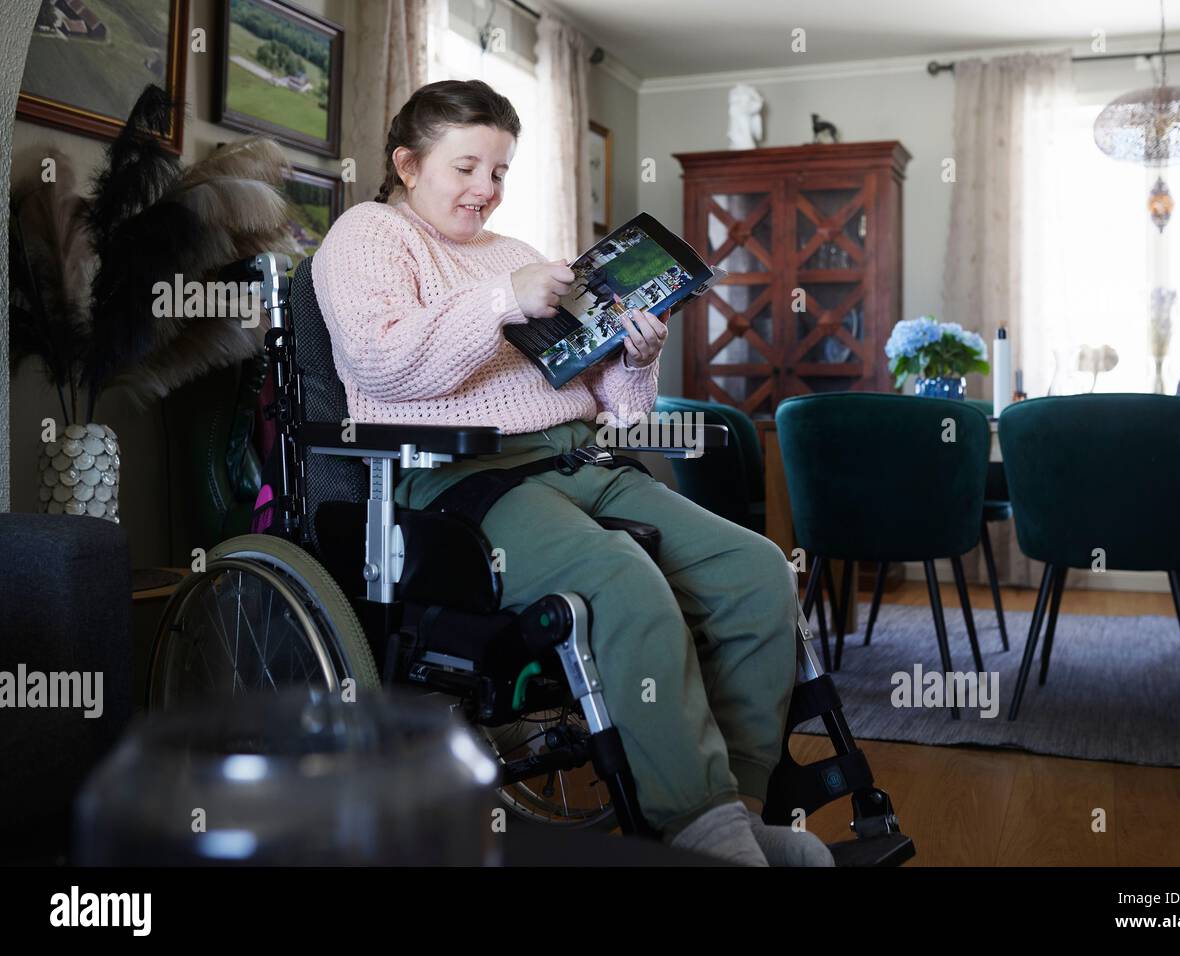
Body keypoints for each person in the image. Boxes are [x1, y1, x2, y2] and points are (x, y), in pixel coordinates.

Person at [310, 80, 830, 866]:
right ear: (409, 165)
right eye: (466, 168)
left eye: (500, 172)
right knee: (623, 583)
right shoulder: (369, 234)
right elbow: (384, 364)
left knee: (757, 572)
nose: (486, 189)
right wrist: (499, 301)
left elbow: (610, 406)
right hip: (460, 481)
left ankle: (736, 819)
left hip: (579, 456)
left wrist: (636, 354)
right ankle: (701, 827)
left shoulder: (516, 256)